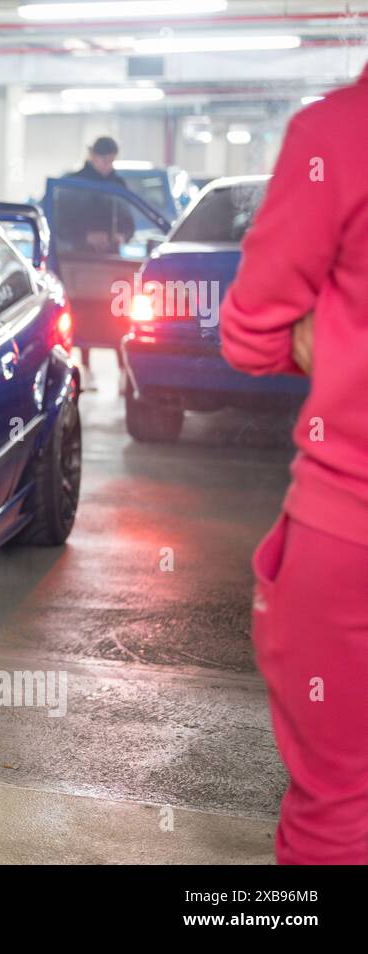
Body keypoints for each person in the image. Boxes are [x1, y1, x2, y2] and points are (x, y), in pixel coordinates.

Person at [220, 66, 368, 864]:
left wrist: (338, 339)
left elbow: (250, 332)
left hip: (351, 529)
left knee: (340, 808)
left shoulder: (339, 134)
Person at [63, 136, 135, 254]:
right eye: (105, 161)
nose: (108, 166)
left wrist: (121, 236)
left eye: (112, 161)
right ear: (93, 156)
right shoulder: (73, 183)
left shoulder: (117, 185)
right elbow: (61, 226)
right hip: (77, 257)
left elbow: (128, 223)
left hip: (111, 257)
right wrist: (85, 237)